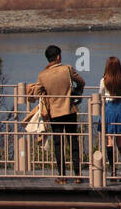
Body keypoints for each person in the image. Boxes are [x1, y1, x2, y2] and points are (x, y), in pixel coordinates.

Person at [27, 45, 85, 183]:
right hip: (69, 110)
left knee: (58, 143)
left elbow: (36, 94)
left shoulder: (42, 75)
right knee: (73, 141)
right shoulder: (67, 69)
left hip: (54, 113)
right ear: (58, 56)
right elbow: (82, 82)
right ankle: (77, 175)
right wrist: (77, 92)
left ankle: (62, 176)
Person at [99, 56, 121, 181]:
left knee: (109, 141)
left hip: (109, 109)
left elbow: (101, 94)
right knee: (120, 142)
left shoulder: (104, 80)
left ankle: (112, 171)